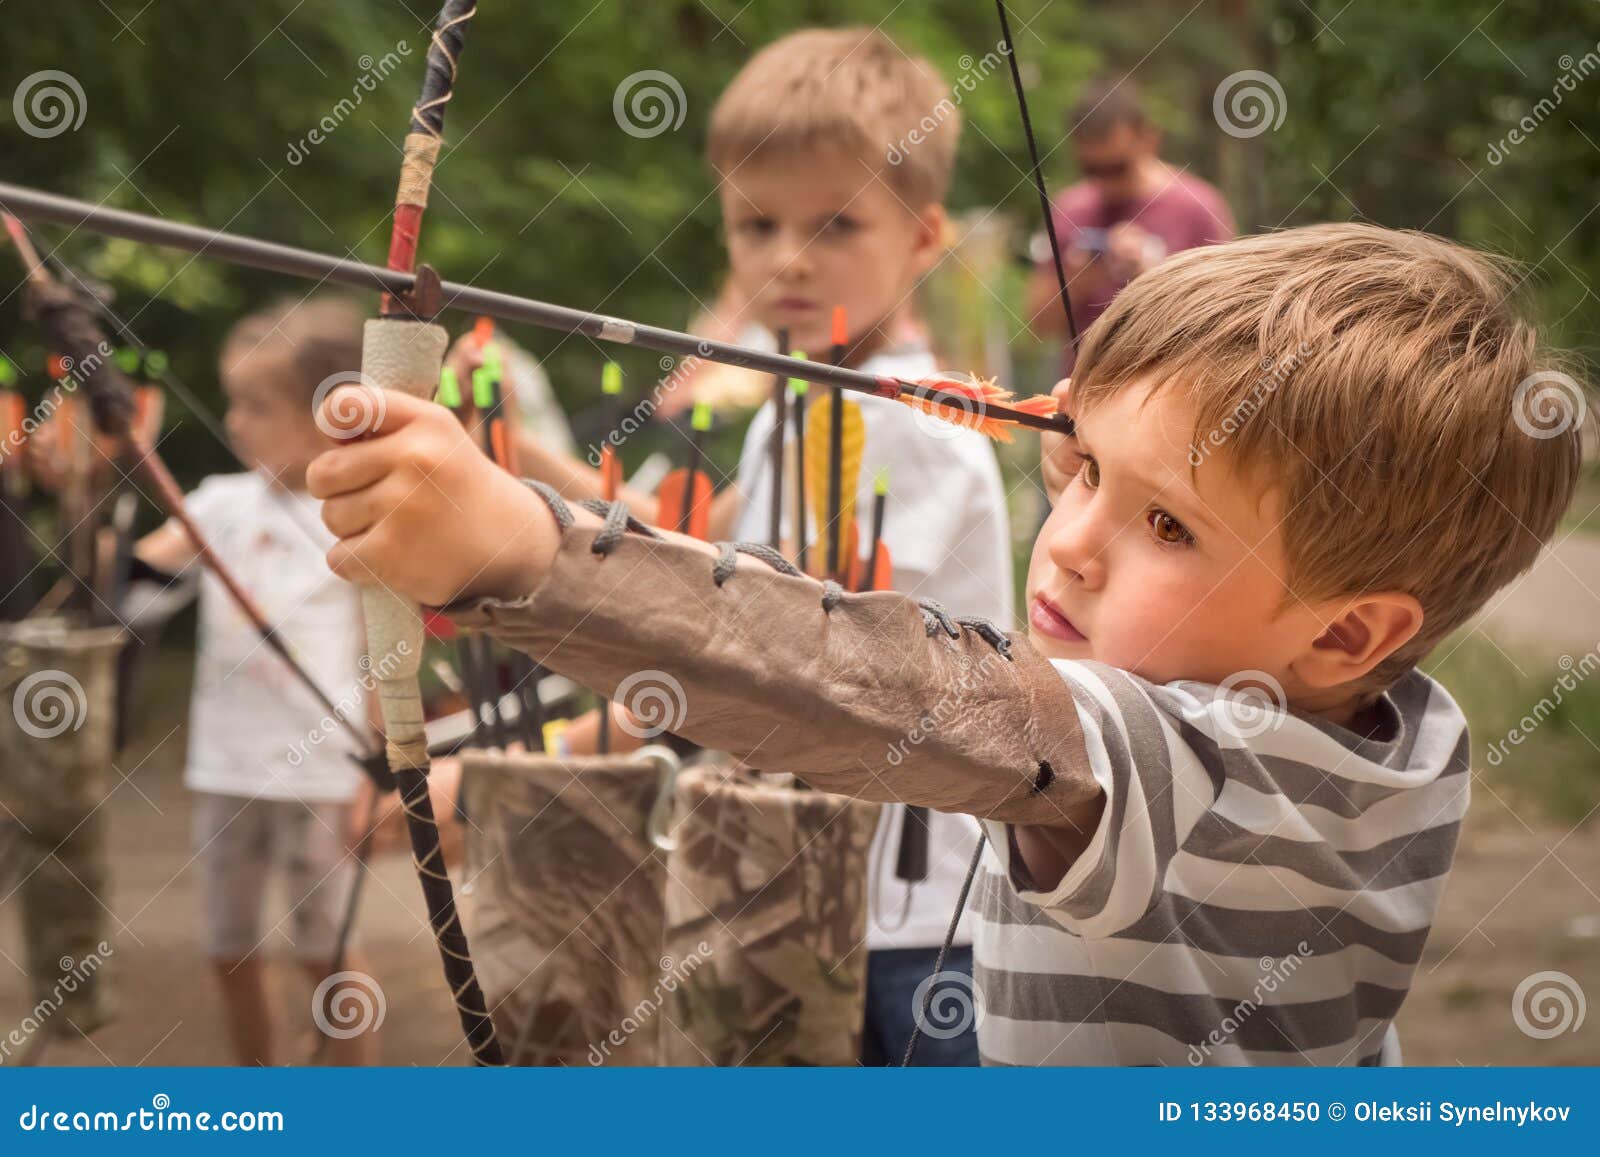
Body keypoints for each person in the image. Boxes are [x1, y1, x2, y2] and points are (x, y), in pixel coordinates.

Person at [308, 222, 1586, 1065]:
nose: (1073, 540)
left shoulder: (1195, 750)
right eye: (1076, 469)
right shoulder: (1401, 727)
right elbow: (829, 621)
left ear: (1348, 626)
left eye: (1164, 525)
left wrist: (517, 550)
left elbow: (881, 685)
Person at [448, 27, 1008, 1065]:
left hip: (917, 918)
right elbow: (709, 568)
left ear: (924, 239)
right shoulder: (790, 402)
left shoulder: (916, 429)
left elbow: (778, 650)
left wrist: (561, 758)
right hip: (810, 874)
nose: (787, 258)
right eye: (756, 224)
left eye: (836, 224)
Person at [136, 298, 381, 1066]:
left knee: (327, 956)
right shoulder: (217, 504)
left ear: (327, 419)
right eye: (232, 400)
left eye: (258, 405)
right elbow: (133, 589)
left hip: (321, 774)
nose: (236, 421)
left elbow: (381, 659)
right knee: (228, 951)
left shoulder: (359, 516)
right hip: (229, 770)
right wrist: (120, 452)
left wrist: (378, 773)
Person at [1026, 78, 1234, 353]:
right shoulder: (1069, 210)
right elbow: (1038, 325)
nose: (1104, 182)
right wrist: (1080, 279)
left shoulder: (1198, 206)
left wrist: (1154, 276)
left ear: (1149, 139)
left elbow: (1228, 320)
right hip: (1083, 386)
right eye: (1091, 169)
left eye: (1117, 167)